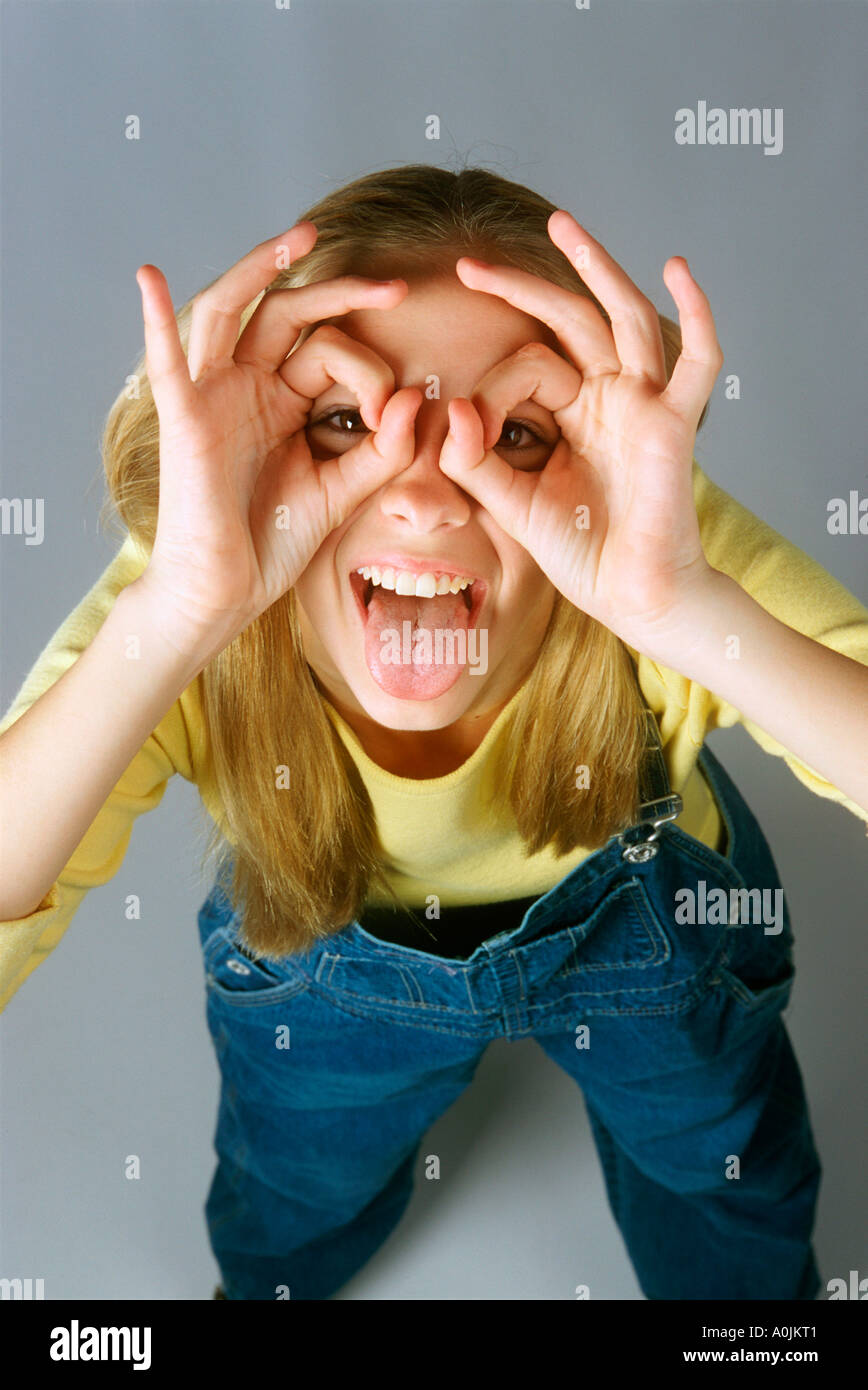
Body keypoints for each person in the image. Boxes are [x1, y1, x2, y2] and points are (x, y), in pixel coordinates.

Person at [2, 165, 866, 1302]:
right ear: (258, 450)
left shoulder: (633, 537)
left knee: (721, 1175)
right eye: (346, 421)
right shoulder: (194, 586)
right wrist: (172, 616)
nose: (425, 494)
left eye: (512, 433)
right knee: (293, 1186)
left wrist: (677, 609)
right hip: (327, 957)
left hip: (646, 938)